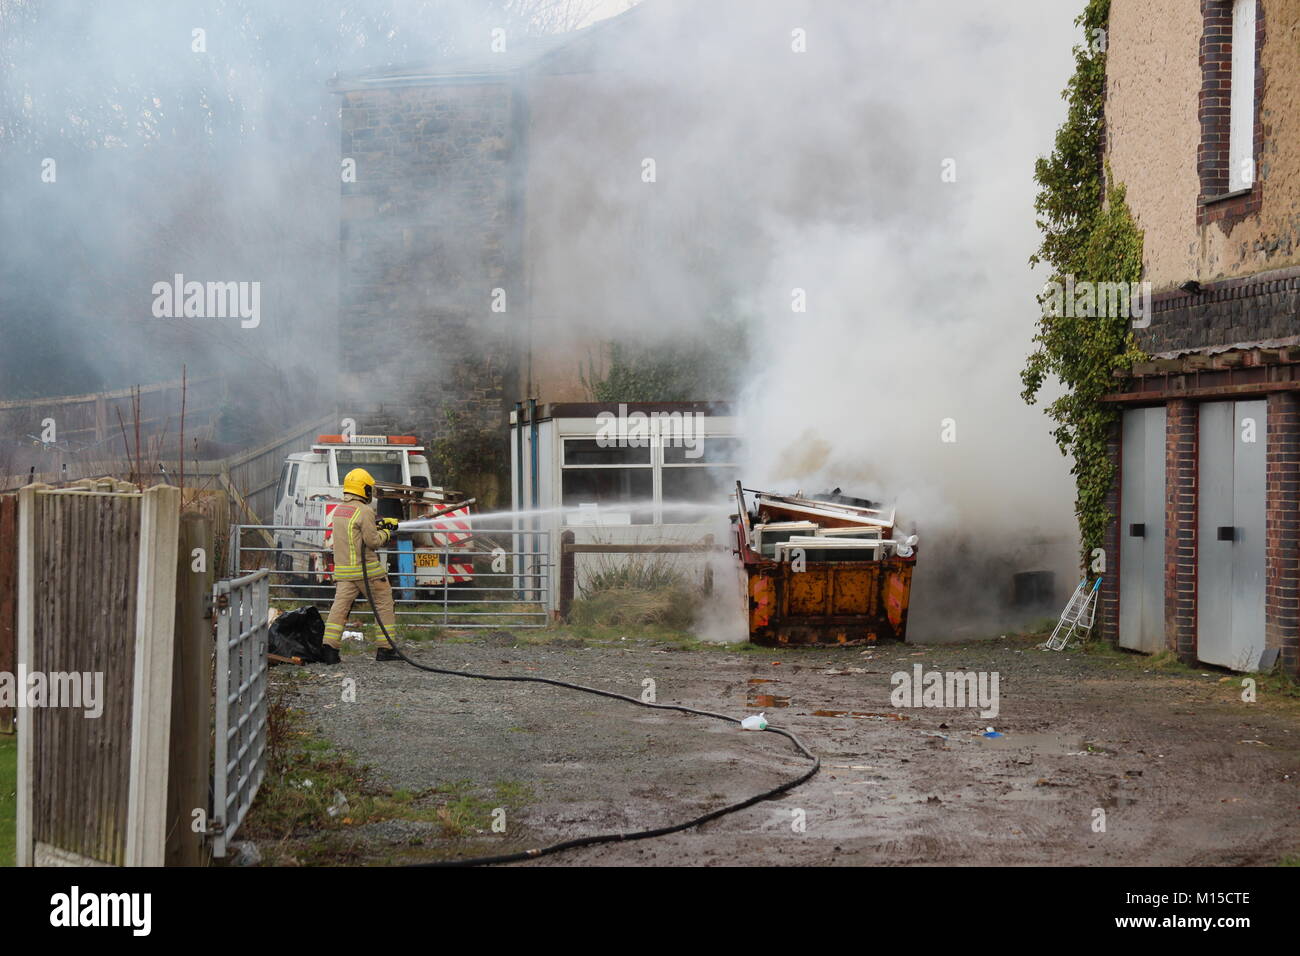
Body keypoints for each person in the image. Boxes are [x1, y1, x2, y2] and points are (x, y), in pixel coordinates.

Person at [322, 467, 402, 662]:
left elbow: (355, 534)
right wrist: (387, 532)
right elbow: (373, 542)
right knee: (384, 604)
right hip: (368, 573)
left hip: (345, 573)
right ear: (364, 489)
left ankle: (329, 650)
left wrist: (379, 524)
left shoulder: (340, 510)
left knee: (339, 608)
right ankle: (386, 649)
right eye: (369, 488)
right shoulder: (365, 510)